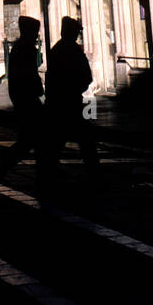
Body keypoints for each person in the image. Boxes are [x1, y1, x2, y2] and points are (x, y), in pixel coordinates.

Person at [0, 16, 51, 193]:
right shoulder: (25, 49)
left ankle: (43, 175)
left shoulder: (20, 47)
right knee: (31, 141)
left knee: (33, 141)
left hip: (23, 99)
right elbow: (29, 75)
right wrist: (39, 91)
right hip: (27, 100)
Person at [46, 16, 100, 182]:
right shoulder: (73, 50)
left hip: (58, 102)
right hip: (70, 102)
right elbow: (86, 75)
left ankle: (49, 169)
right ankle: (94, 172)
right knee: (85, 138)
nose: (77, 35)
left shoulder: (57, 49)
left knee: (59, 139)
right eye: (76, 32)